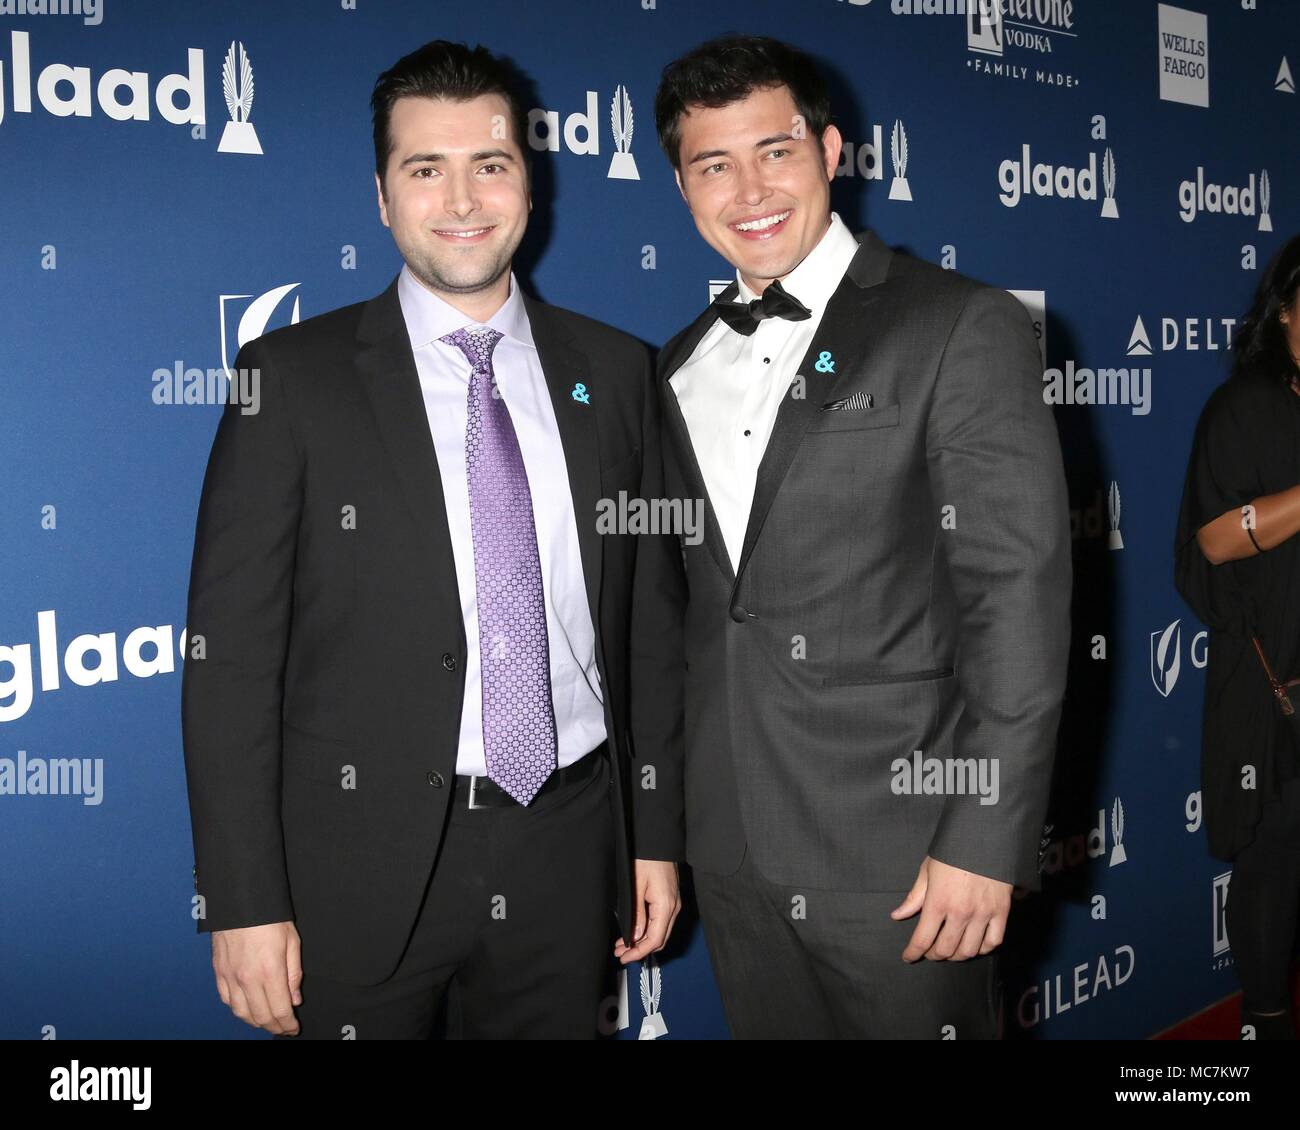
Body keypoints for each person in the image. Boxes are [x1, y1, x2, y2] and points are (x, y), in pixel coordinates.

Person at [182, 39, 685, 1040]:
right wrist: (242, 897)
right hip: (355, 859)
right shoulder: (288, 379)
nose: (462, 198)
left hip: (569, 840)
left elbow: (649, 631)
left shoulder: (619, 372)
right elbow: (229, 661)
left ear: (528, 186)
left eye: (489, 164)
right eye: (426, 168)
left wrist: (655, 831)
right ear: (381, 194)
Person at [651, 33, 1072, 1039]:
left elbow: (1013, 592)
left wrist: (981, 837)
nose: (748, 187)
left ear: (832, 152)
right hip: (735, 849)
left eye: (775, 150)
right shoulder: (673, 364)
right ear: (680, 185)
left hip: (902, 850)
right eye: (713, 163)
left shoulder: (957, 323)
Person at [1175, 234, 1300, 1041]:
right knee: (1274, 864)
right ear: (1284, 310)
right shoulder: (1245, 408)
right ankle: (1265, 1025)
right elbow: (1215, 540)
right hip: (1274, 687)